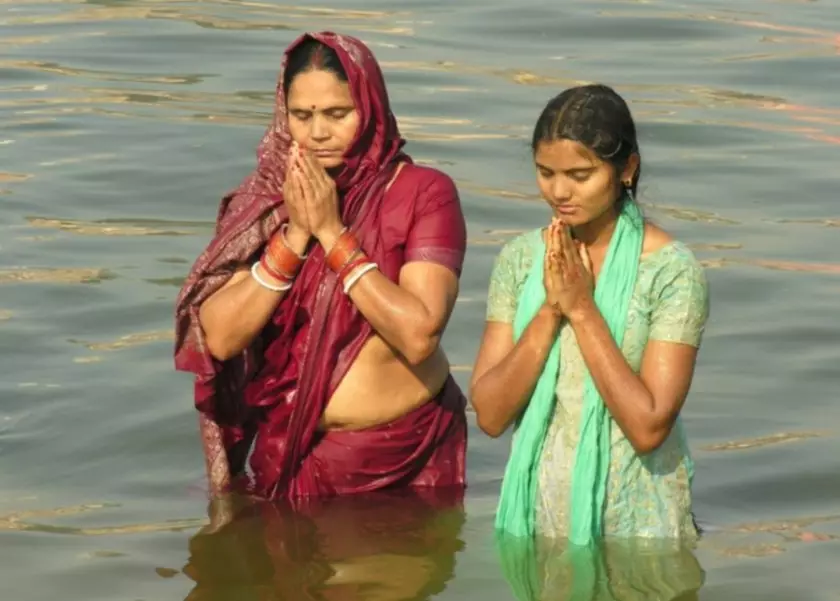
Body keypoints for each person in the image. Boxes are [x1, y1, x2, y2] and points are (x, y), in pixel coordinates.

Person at [174, 32, 468, 507]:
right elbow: (221, 338)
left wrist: (332, 234)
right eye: (302, 116)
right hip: (289, 458)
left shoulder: (423, 193)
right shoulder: (265, 203)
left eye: (337, 114)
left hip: (405, 462)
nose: (317, 133)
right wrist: (294, 237)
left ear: (370, 108)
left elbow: (418, 336)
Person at [471, 84, 710, 544]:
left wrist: (582, 310)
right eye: (545, 173)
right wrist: (550, 309)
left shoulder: (671, 271)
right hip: (537, 522)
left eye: (580, 175)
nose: (559, 191)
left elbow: (648, 427)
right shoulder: (521, 260)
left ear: (627, 169)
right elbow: (491, 415)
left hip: (640, 531)